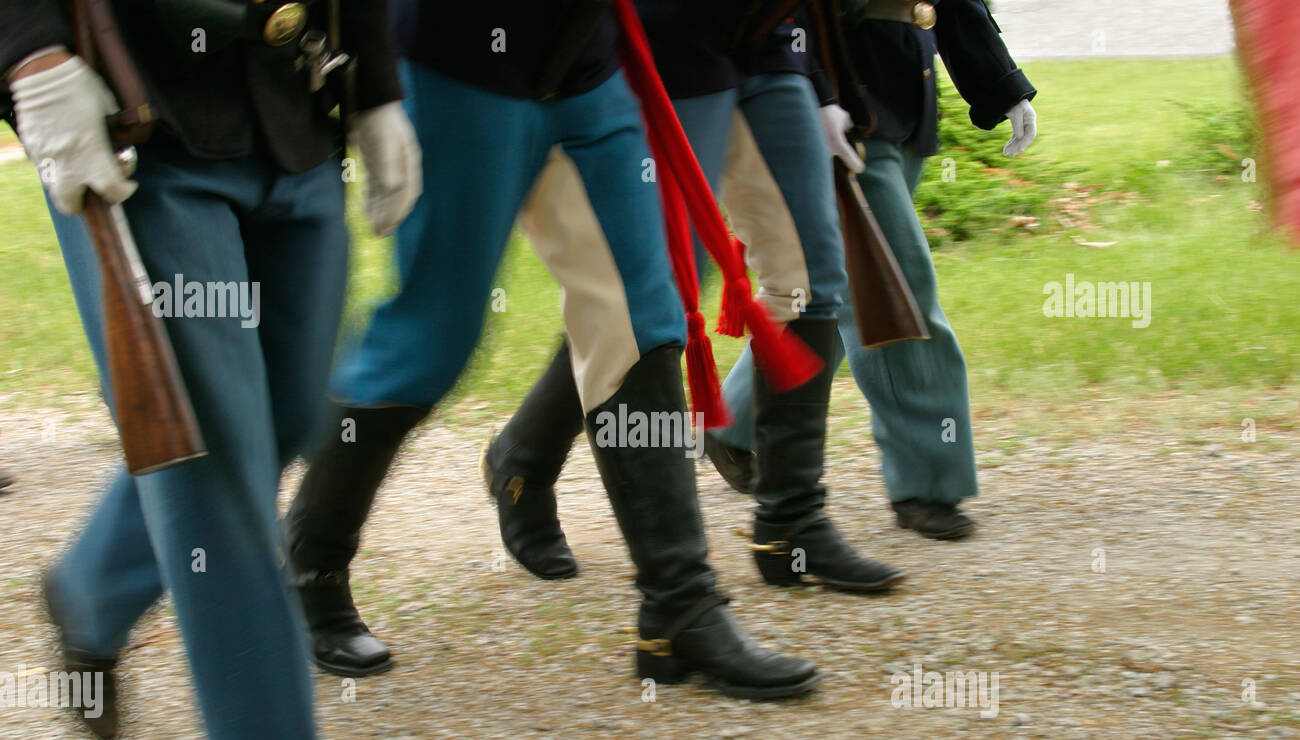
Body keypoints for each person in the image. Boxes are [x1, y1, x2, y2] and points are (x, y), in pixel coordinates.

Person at [284, 0, 821, 700]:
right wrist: (375, 91)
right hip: (459, 62)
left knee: (640, 313)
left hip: (587, 71)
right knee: (432, 340)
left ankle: (679, 605)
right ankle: (313, 562)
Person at [2, 0, 420, 740]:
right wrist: (28, 51)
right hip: (136, 111)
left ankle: (91, 588)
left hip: (294, 117)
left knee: (291, 417)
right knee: (213, 452)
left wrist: (377, 91)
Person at [483, 0, 907, 596]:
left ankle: (792, 522)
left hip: (776, 42)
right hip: (670, 42)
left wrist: (821, 81)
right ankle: (524, 459)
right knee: (649, 298)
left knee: (810, 277)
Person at [706, 0, 1038, 541]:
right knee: (895, 298)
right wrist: (819, 95)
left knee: (843, 294)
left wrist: (1004, 86)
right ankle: (926, 482)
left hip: (904, 98)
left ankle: (735, 422)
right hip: (840, 104)